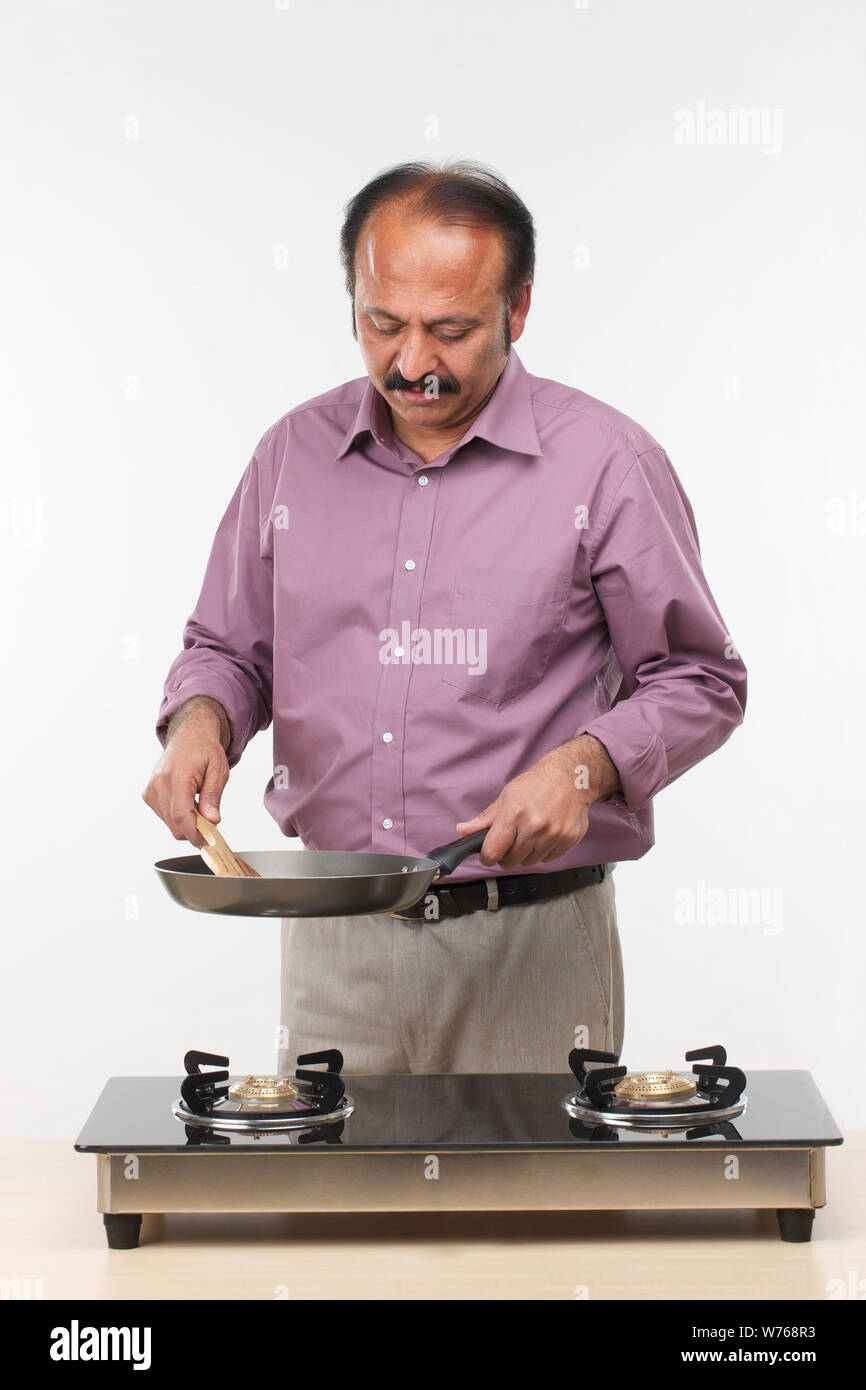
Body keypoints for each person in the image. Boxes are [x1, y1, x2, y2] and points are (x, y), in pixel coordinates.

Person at [143, 159, 747, 1076]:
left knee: (526, 1219)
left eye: (451, 330)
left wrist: (584, 771)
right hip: (335, 942)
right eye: (383, 324)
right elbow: (230, 650)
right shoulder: (290, 457)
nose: (413, 363)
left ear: (520, 307)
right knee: (347, 1217)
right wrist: (201, 724)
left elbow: (701, 678)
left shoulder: (608, 464)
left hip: (534, 944)